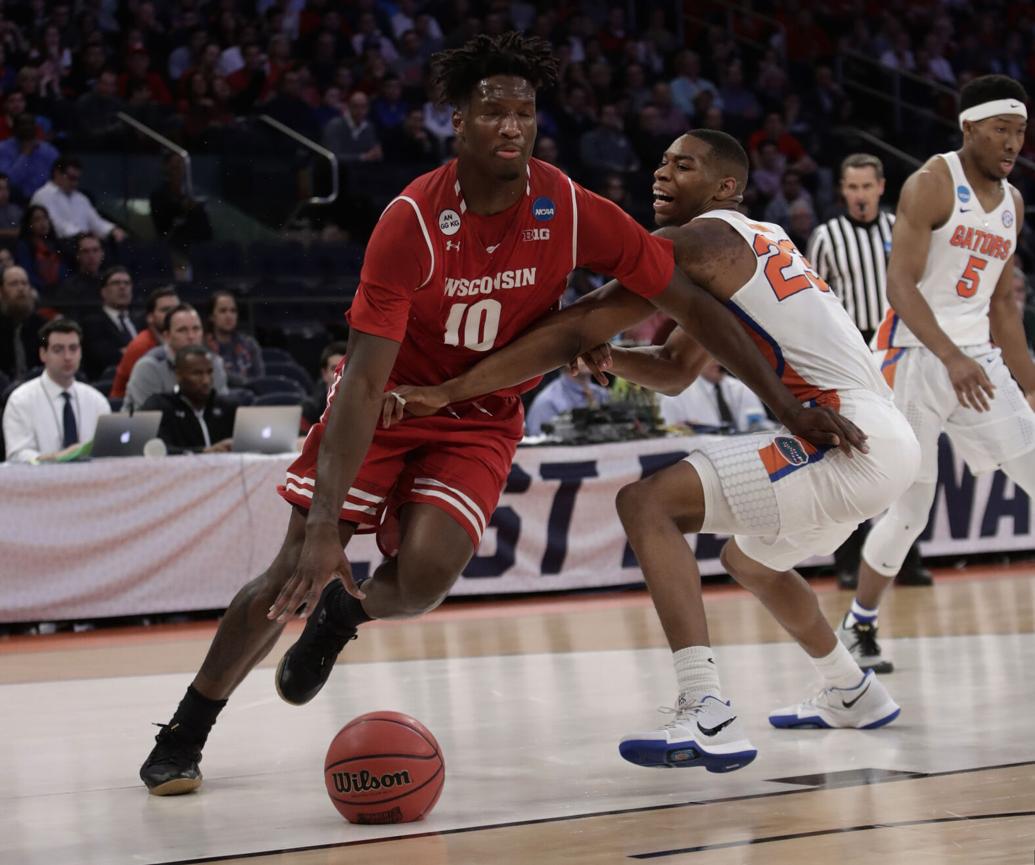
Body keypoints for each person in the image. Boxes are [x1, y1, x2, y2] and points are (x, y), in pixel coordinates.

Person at [137, 34, 856, 797]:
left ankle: (346, 613)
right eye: (493, 112)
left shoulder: (571, 207)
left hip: (481, 415)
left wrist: (787, 404)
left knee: (422, 581)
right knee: (290, 572)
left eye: (524, 112)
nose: (511, 126)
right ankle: (189, 725)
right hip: (388, 401)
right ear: (457, 122)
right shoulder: (409, 220)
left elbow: (689, 306)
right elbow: (361, 382)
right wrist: (321, 530)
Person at [387, 129, 918, 772]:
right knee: (751, 563)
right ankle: (852, 688)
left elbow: (583, 319)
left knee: (647, 504)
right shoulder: (758, 244)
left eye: (683, 166)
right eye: (661, 162)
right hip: (876, 436)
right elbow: (673, 368)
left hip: (844, 436)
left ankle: (707, 707)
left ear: (726, 187)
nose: (661, 175)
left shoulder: (694, 240)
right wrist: (613, 363)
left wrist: (452, 388)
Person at [851, 75, 1035, 672]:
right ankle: (860, 625)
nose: (1012, 143)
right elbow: (898, 286)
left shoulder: (1013, 205)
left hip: (975, 358)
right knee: (910, 510)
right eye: (1001, 130)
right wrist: (951, 357)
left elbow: (1004, 304)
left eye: (1021, 132)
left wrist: (1029, 381)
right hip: (910, 357)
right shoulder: (932, 182)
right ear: (970, 128)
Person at [807, 154, 929, 591]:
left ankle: (904, 559)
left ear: (881, 187)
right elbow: (810, 301)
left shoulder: (901, 228)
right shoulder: (826, 237)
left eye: (866, 187)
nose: (859, 196)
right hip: (848, 353)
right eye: (852, 187)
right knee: (849, 453)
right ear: (842, 190)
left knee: (906, 452)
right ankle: (847, 560)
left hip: (898, 348)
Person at [2, 318, 109, 462]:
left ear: (81, 352)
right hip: (40, 481)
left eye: (73, 348)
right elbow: (16, 455)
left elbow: (108, 452)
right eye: (58, 349)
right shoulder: (21, 400)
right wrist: (56, 458)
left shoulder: (97, 400)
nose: (67, 357)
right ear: (43, 354)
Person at [125, 303, 228, 413]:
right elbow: (145, 419)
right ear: (167, 336)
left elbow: (219, 410)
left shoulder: (213, 363)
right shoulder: (148, 367)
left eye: (196, 329)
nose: (191, 336)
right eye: (182, 330)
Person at [140, 345, 237, 454]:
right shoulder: (160, 407)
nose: (206, 381)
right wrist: (203, 452)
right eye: (197, 373)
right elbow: (156, 451)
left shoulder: (227, 407)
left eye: (209, 372)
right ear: (178, 375)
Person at [657, 356, 768, 433]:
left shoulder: (742, 387)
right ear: (697, 360)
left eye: (721, 357)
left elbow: (760, 424)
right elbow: (670, 433)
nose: (717, 362)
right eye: (711, 357)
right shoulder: (676, 394)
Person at [30, 156, 127, 242]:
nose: (75, 183)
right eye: (71, 178)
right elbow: (54, 225)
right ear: (57, 173)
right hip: (59, 245)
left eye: (77, 179)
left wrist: (112, 230)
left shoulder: (81, 198)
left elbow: (95, 222)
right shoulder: (43, 195)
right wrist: (82, 235)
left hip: (83, 244)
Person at [80, 266, 138, 380]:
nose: (122, 287)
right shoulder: (92, 322)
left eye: (127, 283)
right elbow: (103, 357)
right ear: (104, 291)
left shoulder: (140, 320)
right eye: (116, 283)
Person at [525, 367, 610, 435]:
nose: (589, 358)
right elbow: (537, 444)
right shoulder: (547, 401)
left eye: (591, 352)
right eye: (581, 354)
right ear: (564, 360)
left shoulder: (602, 394)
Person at [204, 290, 263, 382]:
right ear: (212, 317)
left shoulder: (249, 344)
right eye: (223, 311)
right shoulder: (203, 346)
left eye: (233, 311)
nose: (229, 316)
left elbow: (259, 380)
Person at [0, 264, 46, 380]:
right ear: (2, 291)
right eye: (14, 284)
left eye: (24, 283)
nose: (21, 288)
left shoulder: (42, 326)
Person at [15, 204, 68, 294]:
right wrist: (44, 287)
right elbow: (27, 273)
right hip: (37, 291)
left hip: (62, 291)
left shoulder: (57, 245)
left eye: (45, 218)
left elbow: (66, 269)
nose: (43, 223)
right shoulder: (24, 246)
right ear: (29, 224)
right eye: (37, 220)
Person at [301, 339, 347, 428]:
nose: (340, 375)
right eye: (334, 369)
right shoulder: (310, 410)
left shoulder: (367, 405)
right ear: (324, 374)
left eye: (345, 369)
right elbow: (302, 439)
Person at [53, 232, 105, 310]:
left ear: (102, 253)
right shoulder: (68, 287)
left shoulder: (110, 281)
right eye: (85, 251)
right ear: (78, 255)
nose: (91, 256)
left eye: (95, 250)